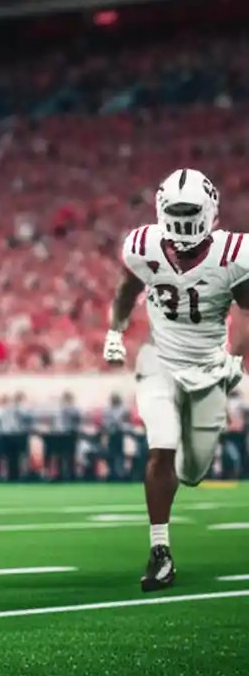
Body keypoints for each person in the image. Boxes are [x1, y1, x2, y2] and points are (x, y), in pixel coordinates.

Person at [103, 168, 245, 592]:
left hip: (208, 368)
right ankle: (160, 550)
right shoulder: (144, 246)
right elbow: (128, 290)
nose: (183, 220)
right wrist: (115, 331)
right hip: (159, 360)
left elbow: (247, 311)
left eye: (191, 212)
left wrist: (236, 360)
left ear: (210, 212)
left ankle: (183, 462)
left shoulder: (234, 253)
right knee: (160, 444)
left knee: (194, 470)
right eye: (176, 212)